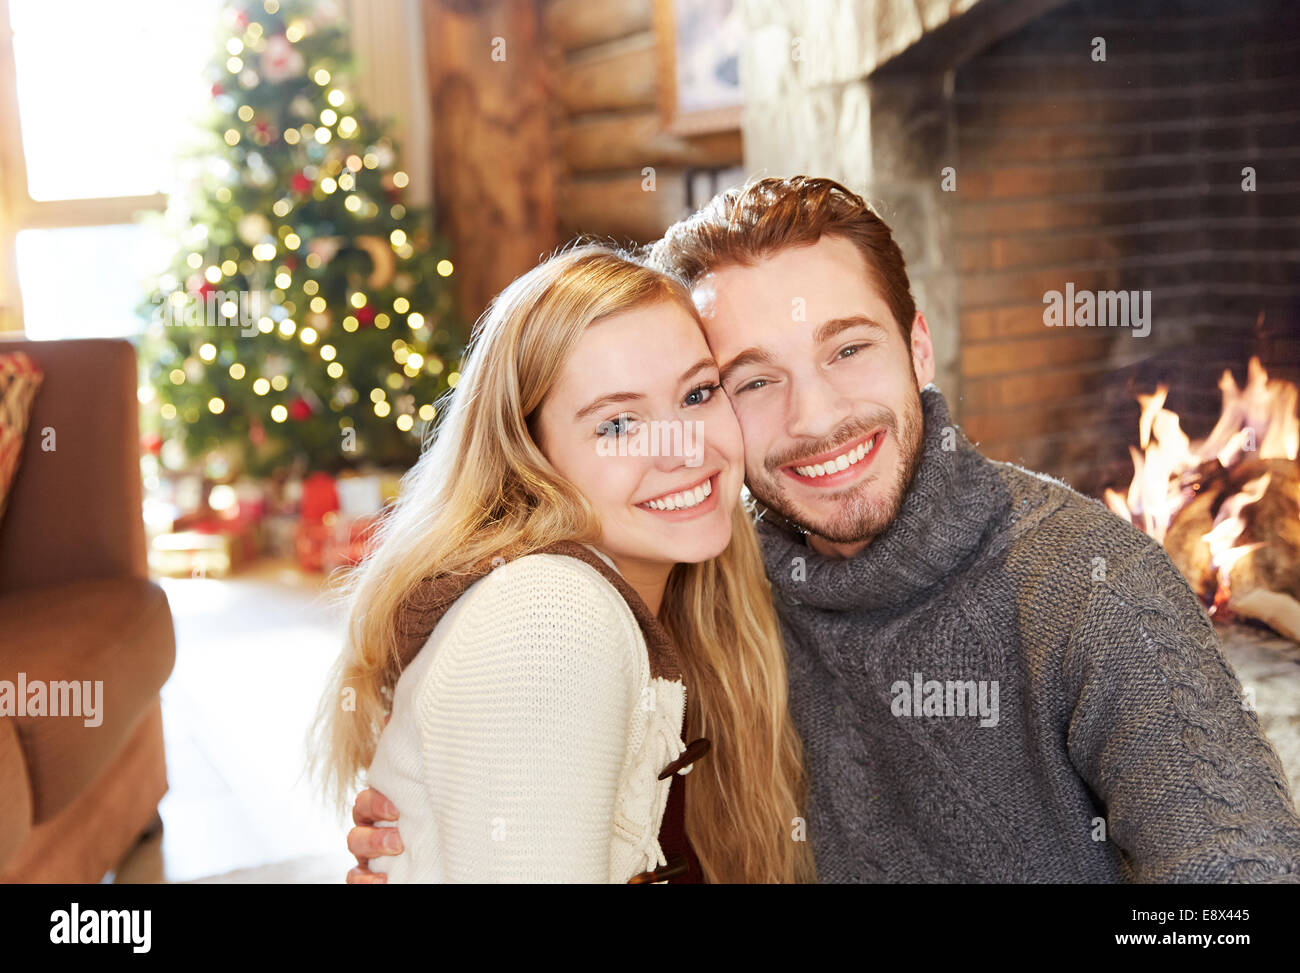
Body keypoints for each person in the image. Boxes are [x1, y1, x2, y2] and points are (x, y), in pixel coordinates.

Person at [347, 176, 1300, 882]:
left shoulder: (1086, 580)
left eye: (848, 348)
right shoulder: (703, 575)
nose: (815, 418)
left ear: (919, 345)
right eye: (753, 379)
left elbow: (1240, 886)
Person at [312, 243, 814, 883]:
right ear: (529, 456)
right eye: (618, 424)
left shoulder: (691, 599)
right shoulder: (550, 616)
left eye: (697, 394)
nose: (685, 450)